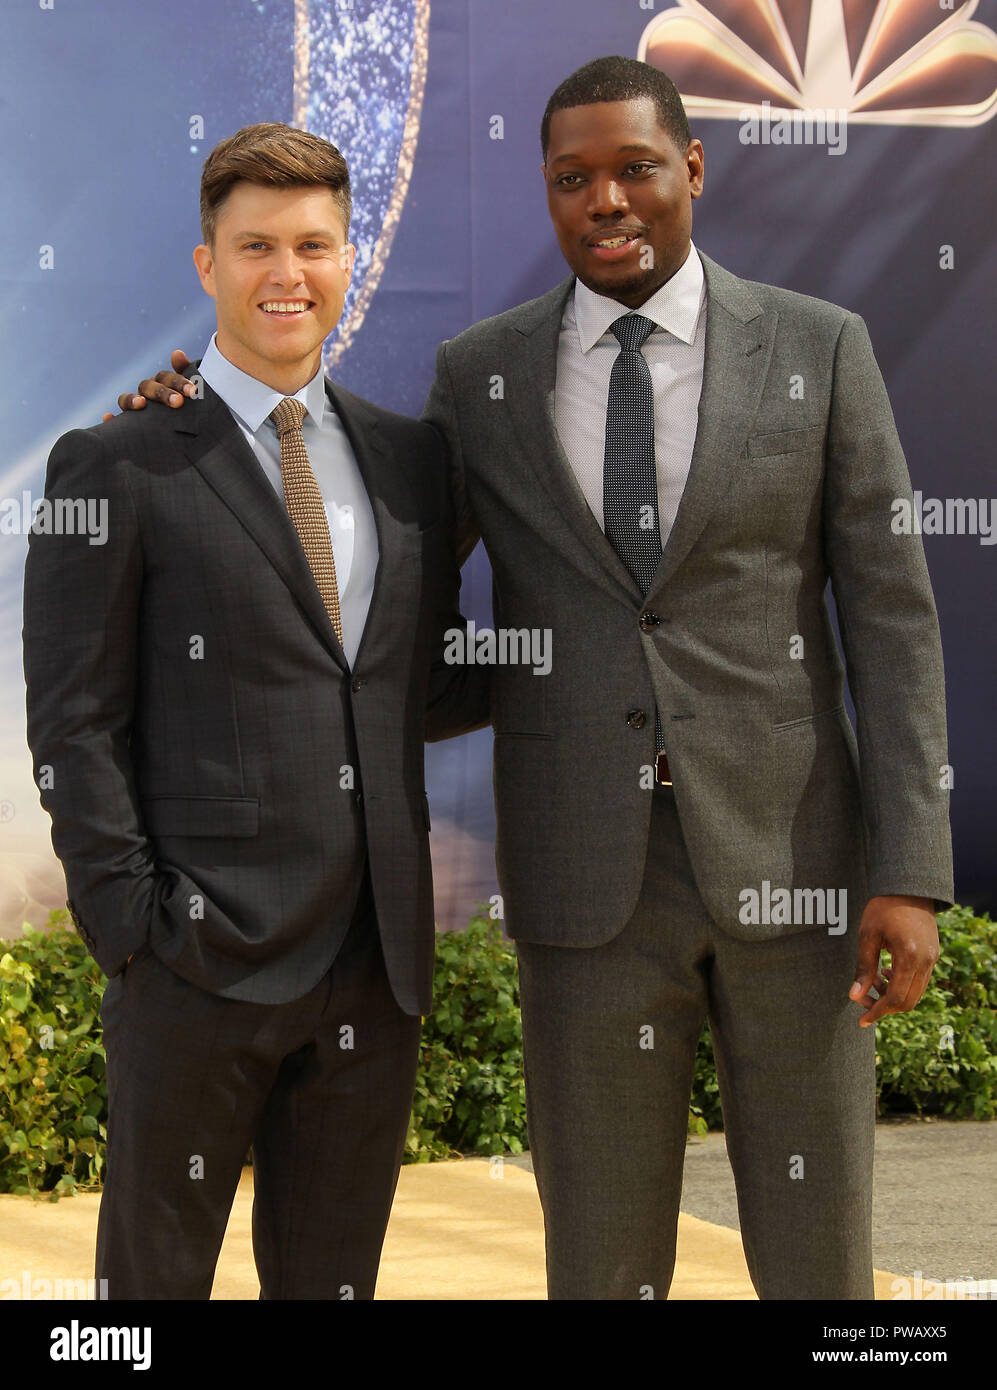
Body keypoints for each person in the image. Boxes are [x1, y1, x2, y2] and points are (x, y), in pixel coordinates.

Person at [113, 58, 954, 1301]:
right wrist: (193, 423)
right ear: (548, 191)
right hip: (580, 886)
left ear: (692, 170)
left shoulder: (819, 349)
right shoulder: (483, 376)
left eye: (635, 169)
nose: (605, 199)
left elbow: (891, 620)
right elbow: (384, 592)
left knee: (820, 1256)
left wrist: (908, 869)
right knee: (599, 1261)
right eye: (572, 178)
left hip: (793, 864)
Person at [23, 122, 489, 1301]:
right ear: (207, 263)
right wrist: (132, 930)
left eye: (313, 245)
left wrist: (601, 661)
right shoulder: (118, 463)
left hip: (373, 965)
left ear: (347, 258)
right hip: (193, 962)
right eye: (256, 246)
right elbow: (74, 721)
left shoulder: (411, 461)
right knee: (148, 1296)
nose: (288, 272)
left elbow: (411, 683)